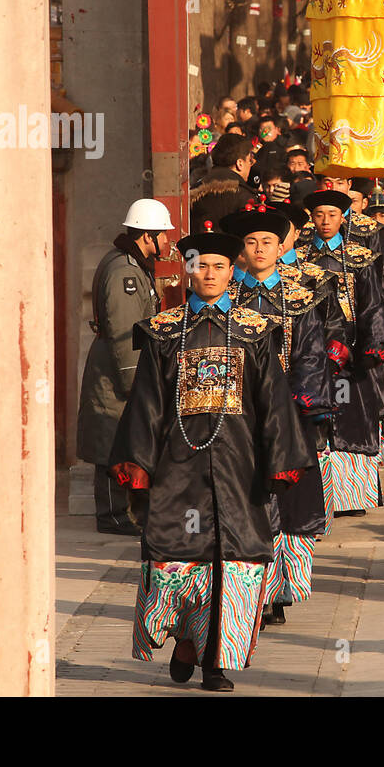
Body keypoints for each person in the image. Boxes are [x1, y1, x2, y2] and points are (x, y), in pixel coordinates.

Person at [108, 223, 315, 691]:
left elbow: (272, 400)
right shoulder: (163, 334)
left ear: (231, 272)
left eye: (219, 267)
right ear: (187, 272)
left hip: (240, 465)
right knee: (179, 552)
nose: (209, 274)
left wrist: (280, 457)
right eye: (200, 266)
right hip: (178, 466)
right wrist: (139, 461)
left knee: (234, 557)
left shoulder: (256, 331)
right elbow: (146, 403)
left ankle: (215, 661)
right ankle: (184, 635)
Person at [222, 202, 336, 628]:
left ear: (280, 246)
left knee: (288, 501)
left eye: (267, 241)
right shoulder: (227, 298)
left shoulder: (301, 297)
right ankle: (249, 589)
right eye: (250, 243)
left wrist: (302, 409)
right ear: (241, 252)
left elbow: (312, 355)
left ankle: (281, 589)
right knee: (248, 498)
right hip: (240, 416)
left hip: (290, 413)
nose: (259, 249)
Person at [78, 199, 175, 535]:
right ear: (148, 235)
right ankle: (112, 514)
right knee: (110, 435)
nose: (166, 242)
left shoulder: (132, 264)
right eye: (163, 235)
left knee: (121, 434)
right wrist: (133, 379)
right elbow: (124, 330)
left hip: (122, 362)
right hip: (118, 365)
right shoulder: (125, 272)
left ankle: (124, 511)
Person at [294, 190, 384, 518]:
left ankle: (351, 495)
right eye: (319, 214)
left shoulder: (359, 257)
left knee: (352, 417)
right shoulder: (299, 257)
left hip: (351, 348)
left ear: (343, 218)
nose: (325, 222)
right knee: (317, 419)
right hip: (309, 346)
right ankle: (321, 495)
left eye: (332, 215)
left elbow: (373, 303)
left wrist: (372, 346)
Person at [190, 133, 260, 228]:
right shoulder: (244, 195)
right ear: (240, 163)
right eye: (250, 161)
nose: (250, 166)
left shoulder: (195, 190)